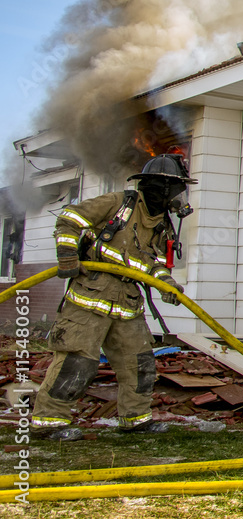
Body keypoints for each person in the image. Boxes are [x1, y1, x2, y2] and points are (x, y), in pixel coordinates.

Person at [31, 153, 193, 441]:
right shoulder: (118, 203)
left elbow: (150, 264)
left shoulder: (161, 224)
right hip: (89, 298)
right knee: (77, 361)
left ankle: (136, 420)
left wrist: (166, 284)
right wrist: (68, 256)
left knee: (139, 362)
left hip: (127, 302)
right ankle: (49, 422)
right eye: (175, 188)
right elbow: (69, 219)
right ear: (157, 186)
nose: (178, 195)